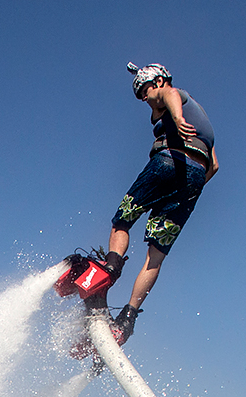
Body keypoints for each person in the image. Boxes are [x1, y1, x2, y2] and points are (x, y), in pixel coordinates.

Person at [96, 62, 218, 346]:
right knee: (156, 255)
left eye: (145, 91)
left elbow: (170, 95)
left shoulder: (170, 94)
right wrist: (191, 186)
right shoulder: (205, 126)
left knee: (122, 221)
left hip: (167, 162)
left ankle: (109, 270)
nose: (145, 99)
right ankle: (127, 319)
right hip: (195, 178)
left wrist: (175, 118)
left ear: (158, 81)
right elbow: (214, 166)